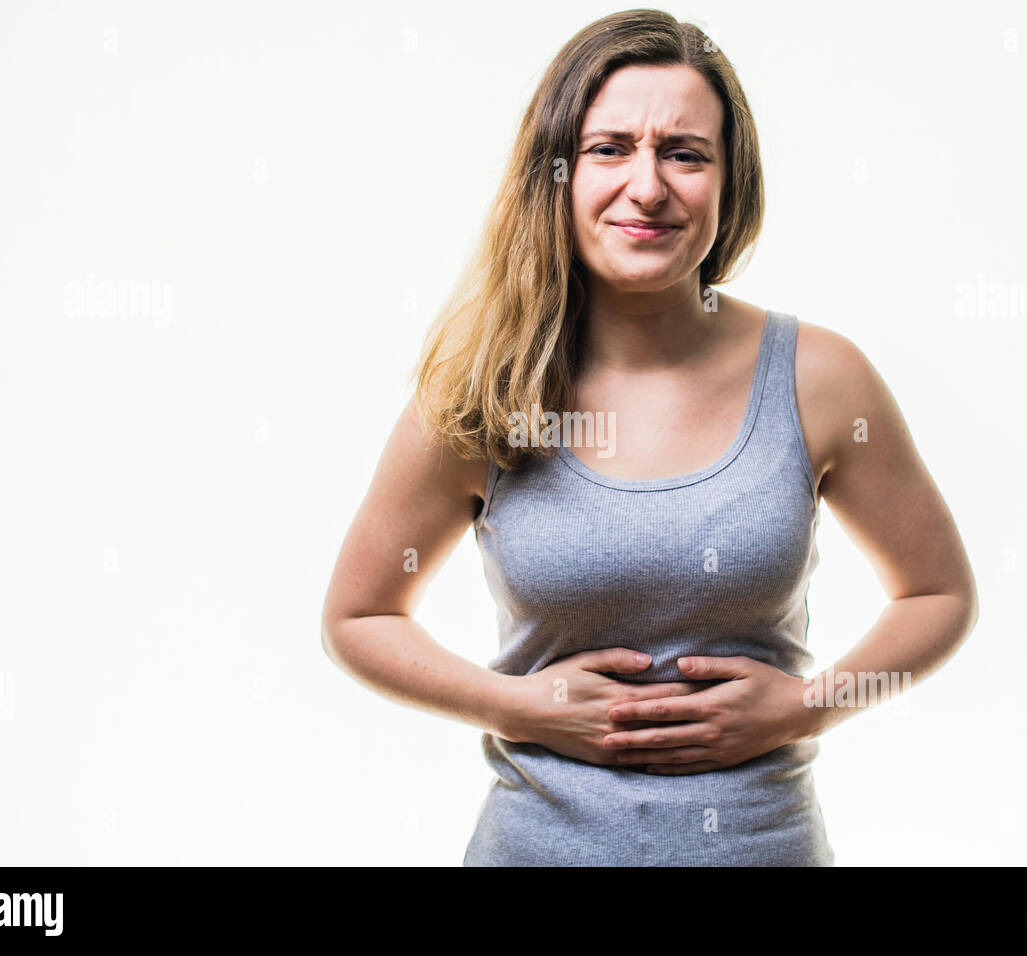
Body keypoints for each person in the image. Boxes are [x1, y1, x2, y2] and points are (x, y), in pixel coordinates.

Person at [321, 8, 979, 866]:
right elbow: (359, 615)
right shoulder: (486, 387)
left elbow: (938, 595)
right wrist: (516, 704)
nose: (648, 186)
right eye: (610, 148)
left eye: (685, 153)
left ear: (728, 181)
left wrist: (809, 704)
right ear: (554, 173)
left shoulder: (820, 378)